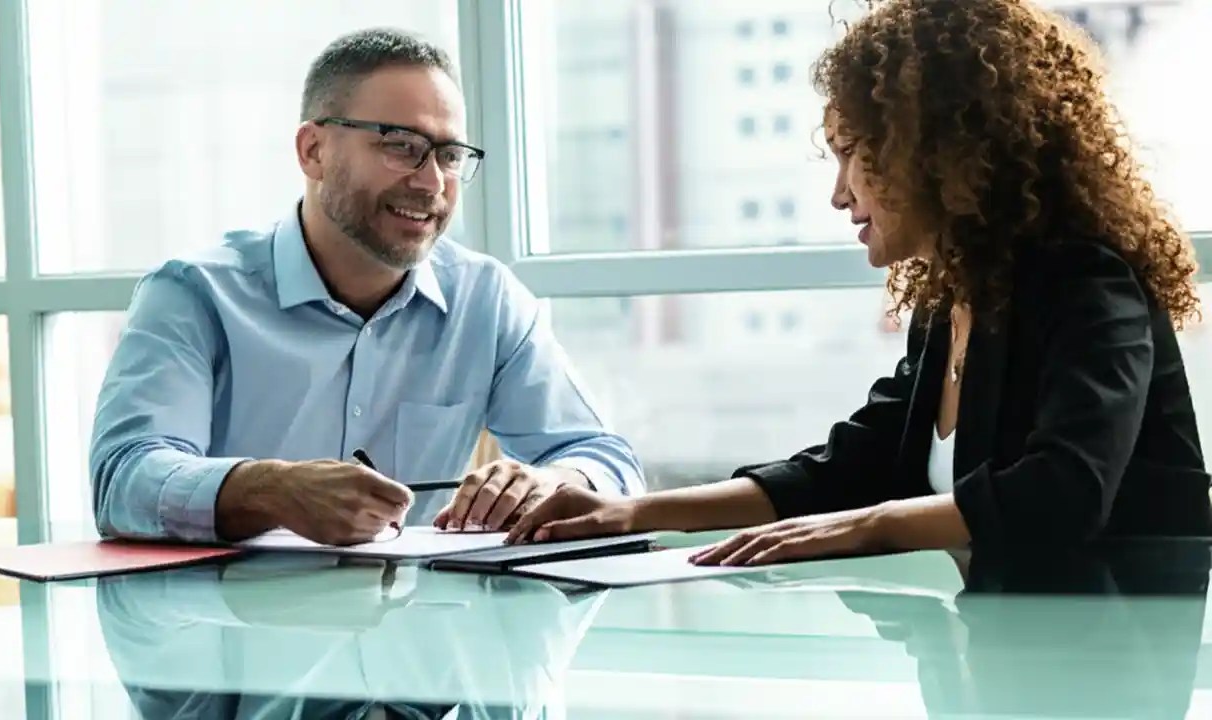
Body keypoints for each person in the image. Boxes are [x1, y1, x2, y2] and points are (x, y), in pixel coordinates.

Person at [509, 0, 1212, 563]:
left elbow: (1064, 491)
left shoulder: (1084, 281)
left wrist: (862, 528)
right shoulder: (949, 301)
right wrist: (632, 510)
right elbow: (853, 465)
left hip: (1112, 667)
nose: (840, 194)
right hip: (1000, 664)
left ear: (940, 151)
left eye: (854, 154)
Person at [89, 28, 643, 545]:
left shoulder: (487, 300)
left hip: (418, 631)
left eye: (449, 156)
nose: (431, 183)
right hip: (226, 629)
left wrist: (557, 481)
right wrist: (269, 491)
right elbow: (124, 479)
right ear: (313, 151)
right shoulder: (194, 294)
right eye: (400, 145)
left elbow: (603, 457)